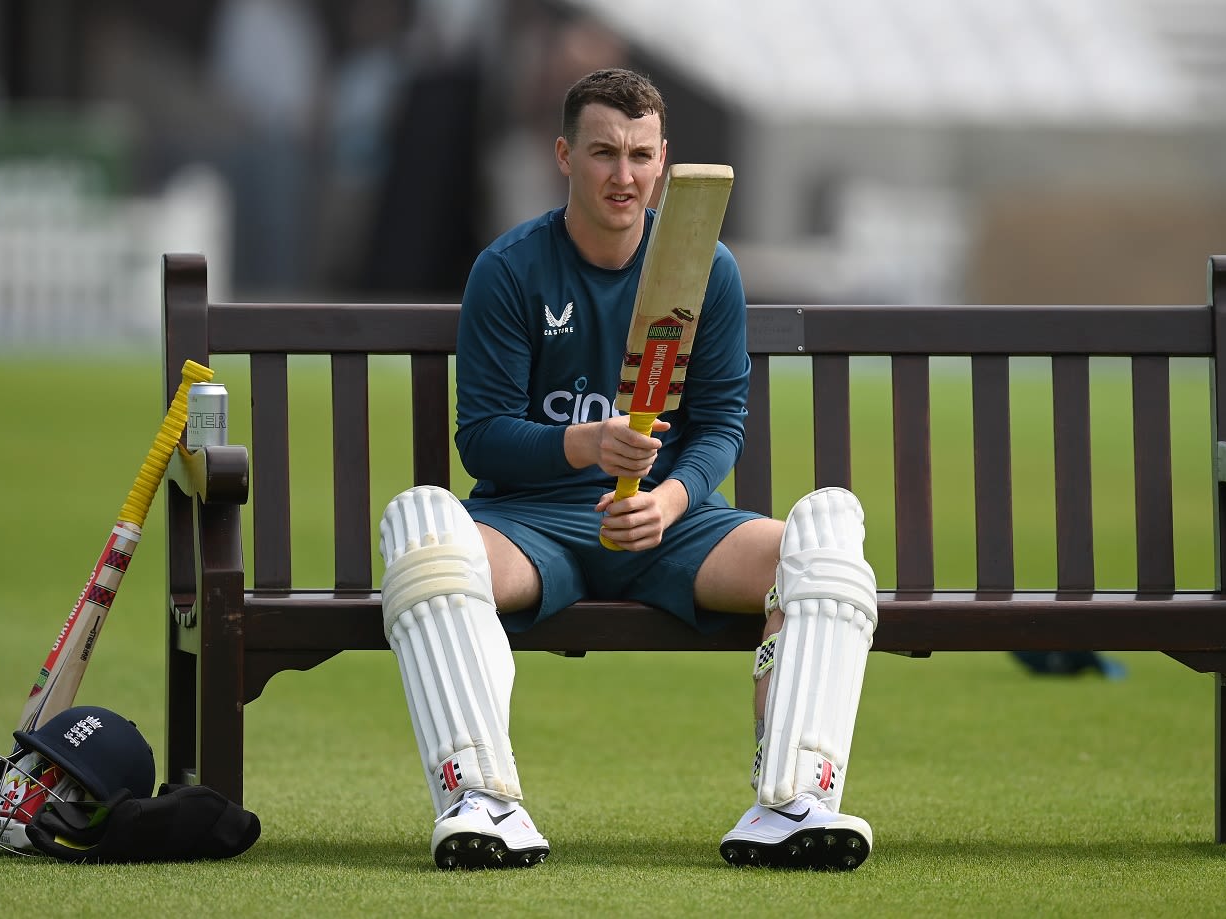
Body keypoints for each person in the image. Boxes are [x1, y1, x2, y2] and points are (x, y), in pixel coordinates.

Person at [376, 68, 880, 871]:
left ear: (665, 159)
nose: (625, 175)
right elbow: (483, 438)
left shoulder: (704, 268)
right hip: (533, 523)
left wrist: (672, 499)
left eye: (641, 155)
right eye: (604, 153)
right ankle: (480, 799)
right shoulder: (510, 270)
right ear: (564, 155)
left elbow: (720, 423)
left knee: (827, 534)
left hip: (671, 527)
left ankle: (793, 800)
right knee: (422, 525)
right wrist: (584, 447)